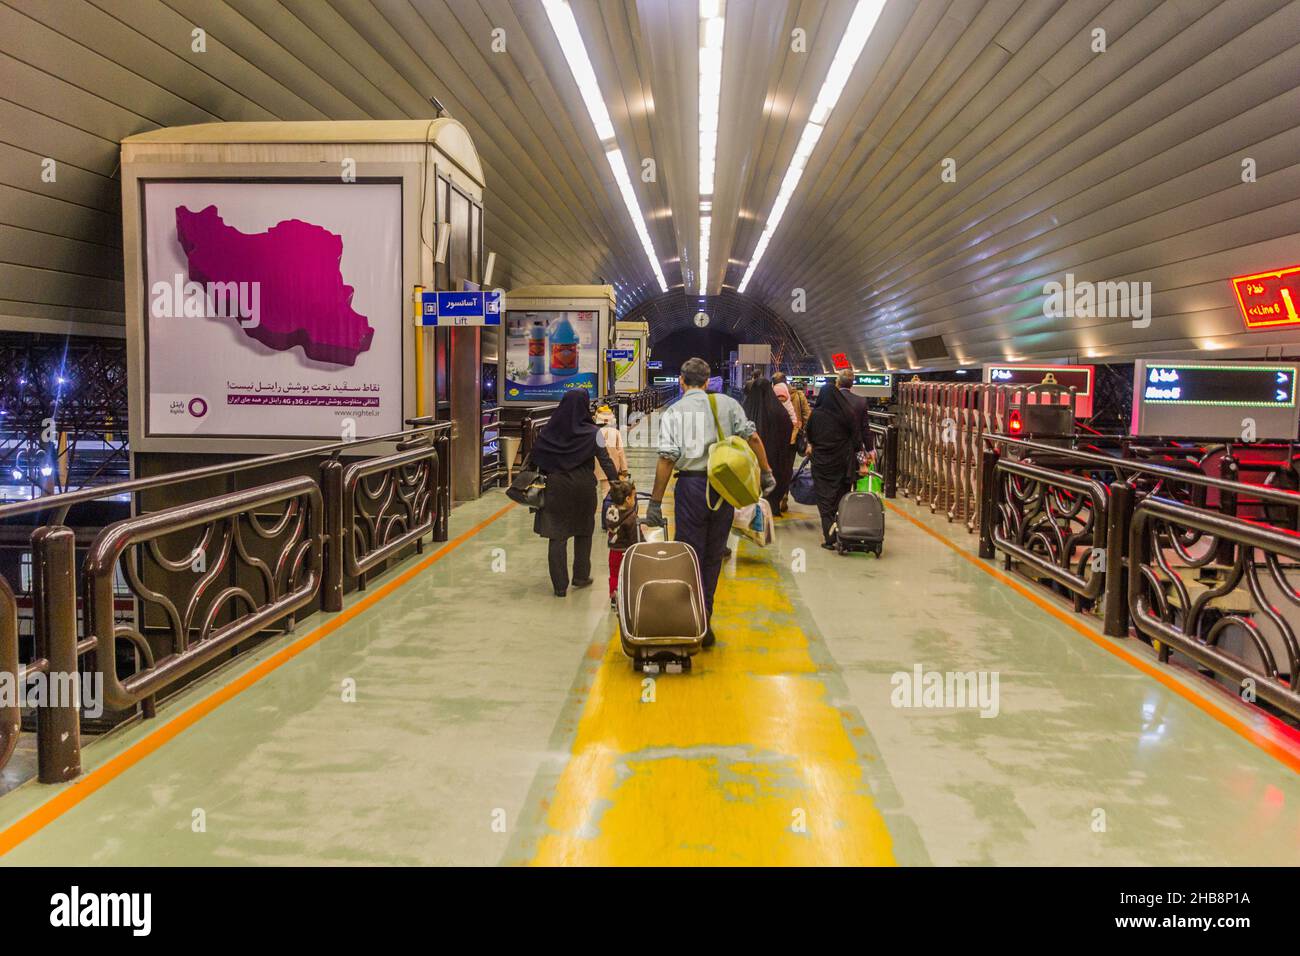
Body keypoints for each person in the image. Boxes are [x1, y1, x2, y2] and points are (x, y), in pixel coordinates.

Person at [645, 357, 773, 646]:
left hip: (690, 486)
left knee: (688, 554)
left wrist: (655, 502)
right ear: (707, 382)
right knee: (713, 555)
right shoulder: (727, 405)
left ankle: (688, 619)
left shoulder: (675, 412)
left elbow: (667, 459)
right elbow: (753, 437)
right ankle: (706, 619)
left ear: (681, 380)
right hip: (722, 486)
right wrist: (765, 473)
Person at [530, 390, 621, 596]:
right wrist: (616, 484)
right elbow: (605, 459)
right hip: (583, 488)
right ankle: (581, 576)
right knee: (583, 531)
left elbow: (535, 457)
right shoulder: (593, 433)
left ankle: (560, 586)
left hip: (556, 487)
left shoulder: (549, 431)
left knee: (557, 536)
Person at [805, 381, 869, 550]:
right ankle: (843, 532)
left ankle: (829, 537)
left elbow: (809, 437)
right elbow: (857, 442)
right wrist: (863, 463)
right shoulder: (848, 414)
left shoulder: (816, 415)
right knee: (841, 498)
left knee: (824, 500)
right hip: (843, 463)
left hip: (821, 464)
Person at [743, 378, 794, 517]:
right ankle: (772, 508)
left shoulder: (745, 409)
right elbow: (789, 428)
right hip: (775, 457)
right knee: (773, 482)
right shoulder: (779, 411)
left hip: (751, 458)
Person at [604, 477, 641, 607]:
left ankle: (614, 596)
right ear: (627, 499)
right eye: (634, 497)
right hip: (626, 551)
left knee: (614, 574)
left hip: (613, 550)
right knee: (627, 574)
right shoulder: (631, 517)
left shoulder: (610, 511)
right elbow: (635, 537)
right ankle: (626, 596)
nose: (635, 500)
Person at [593, 404, 627, 498]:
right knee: (607, 491)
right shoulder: (616, 432)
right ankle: (608, 508)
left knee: (599, 489)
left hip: (597, 466)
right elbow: (620, 451)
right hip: (613, 466)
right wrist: (624, 468)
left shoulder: (594, 432)